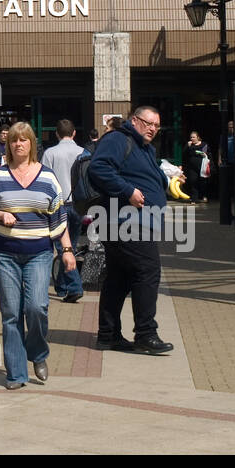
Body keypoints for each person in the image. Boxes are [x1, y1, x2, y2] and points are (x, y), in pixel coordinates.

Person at [0, 122, 70, 389]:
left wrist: (66, 251)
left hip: (39, 254)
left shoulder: (48, 177)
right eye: (14, 141)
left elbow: (58, 216)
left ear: (32, 144)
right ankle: (16, 374)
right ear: (9, 145)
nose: (19, 144)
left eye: (24, 140)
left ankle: (38, 354)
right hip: (5, 254)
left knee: (36, 307)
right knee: (10, 313)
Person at [88, 106, 173, 355]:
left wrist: (168, 180)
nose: (153, 129)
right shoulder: (117, 139)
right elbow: (99, 168)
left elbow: (149, 177)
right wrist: (128, 191)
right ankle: (146, 333)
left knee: (119, 278)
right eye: (149, 123)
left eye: (157, 125)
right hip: (125, 221)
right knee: (148, 270)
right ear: (134, 120)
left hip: (135, 221)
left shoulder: (145, 148)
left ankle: (108, 335)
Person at [41, 118, 85, 303]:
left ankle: (74, 286)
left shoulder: (50, 153)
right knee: (69, 247)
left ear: (57, 134)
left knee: (63, 248)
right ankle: (61, 287)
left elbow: (44, 181)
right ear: (74, 133)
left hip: (59, 205)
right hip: (79, 205)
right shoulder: (84, 152)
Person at [183, 131, 209, 206]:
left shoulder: (204, 144)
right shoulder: (189, 145)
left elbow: (206, 153)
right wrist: (187, 146)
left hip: (202, 167)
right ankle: (194, 199)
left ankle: (203, 196)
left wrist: (202, 153)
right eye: (191, 137)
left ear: (198, 137)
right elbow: (184, 154)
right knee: (193, 181)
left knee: (202, 182)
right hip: (192, 167)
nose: (192, 139)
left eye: (194, 137)